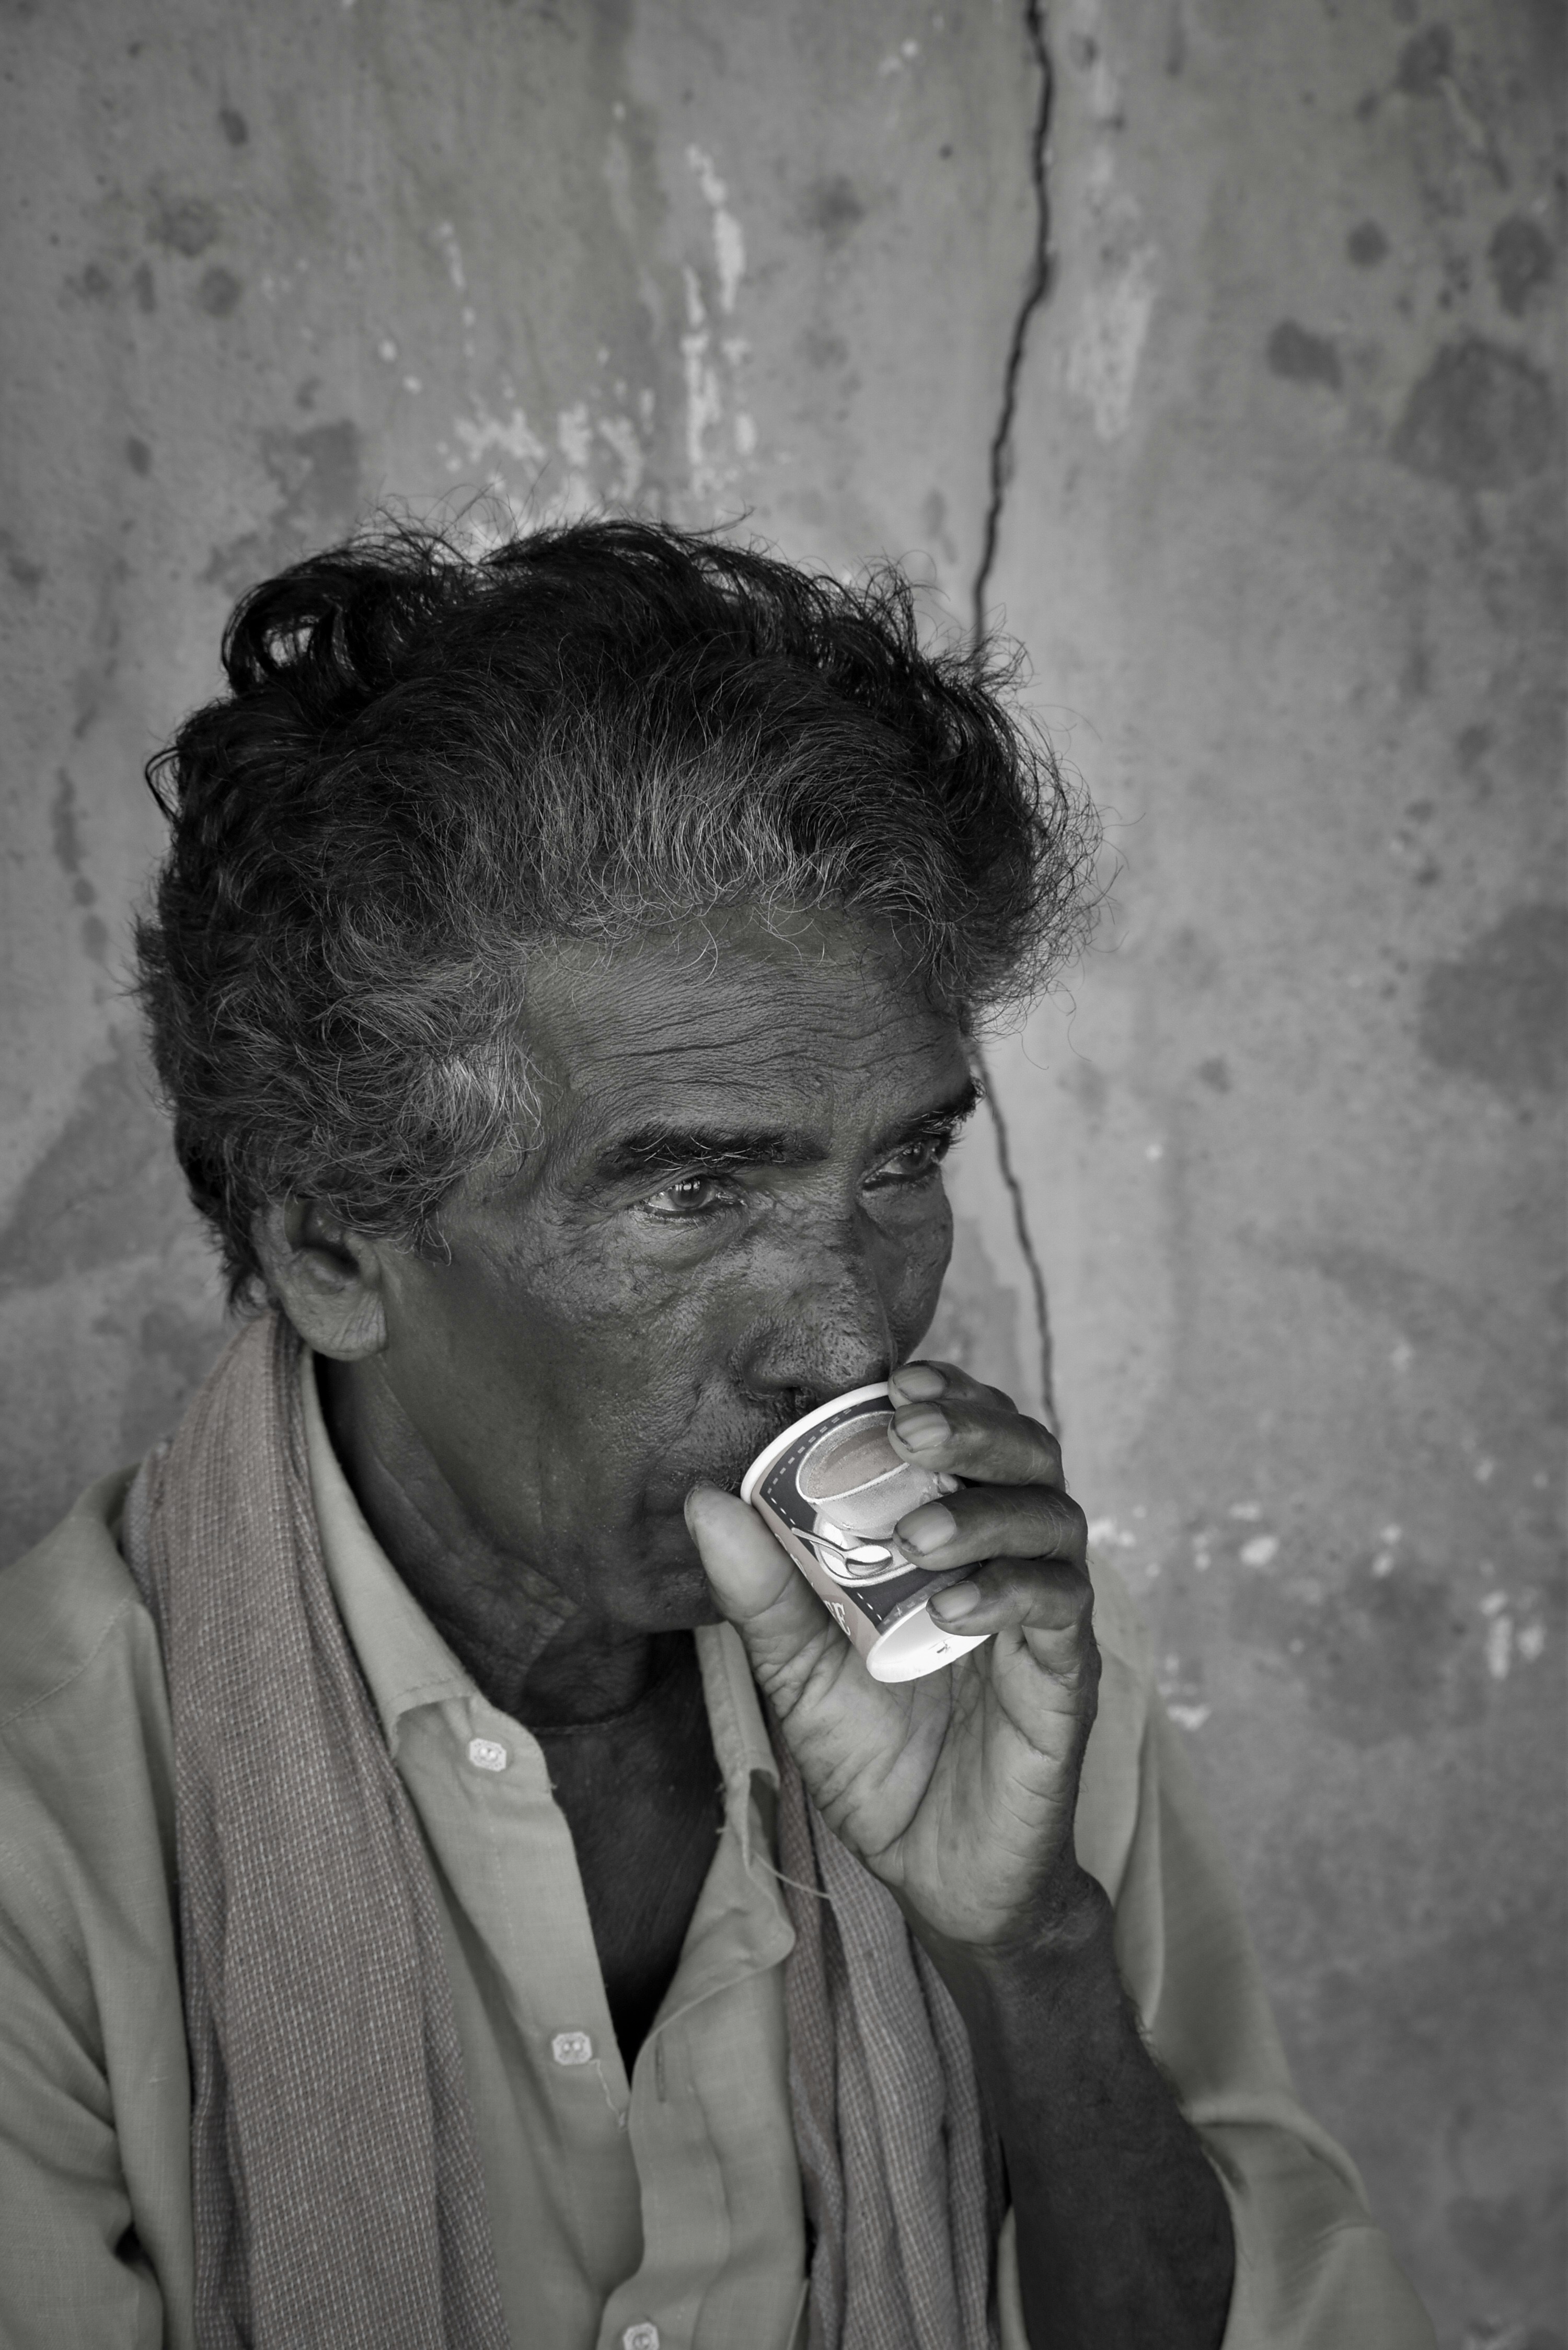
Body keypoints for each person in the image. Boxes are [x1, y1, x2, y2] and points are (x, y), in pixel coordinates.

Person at [0, 520, 1434, 2350]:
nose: (850, 1331)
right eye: (692, 1191)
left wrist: (1029, 1949)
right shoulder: (50, 1836)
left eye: (905, 1161)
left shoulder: (987, 1664)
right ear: (332, 1242)